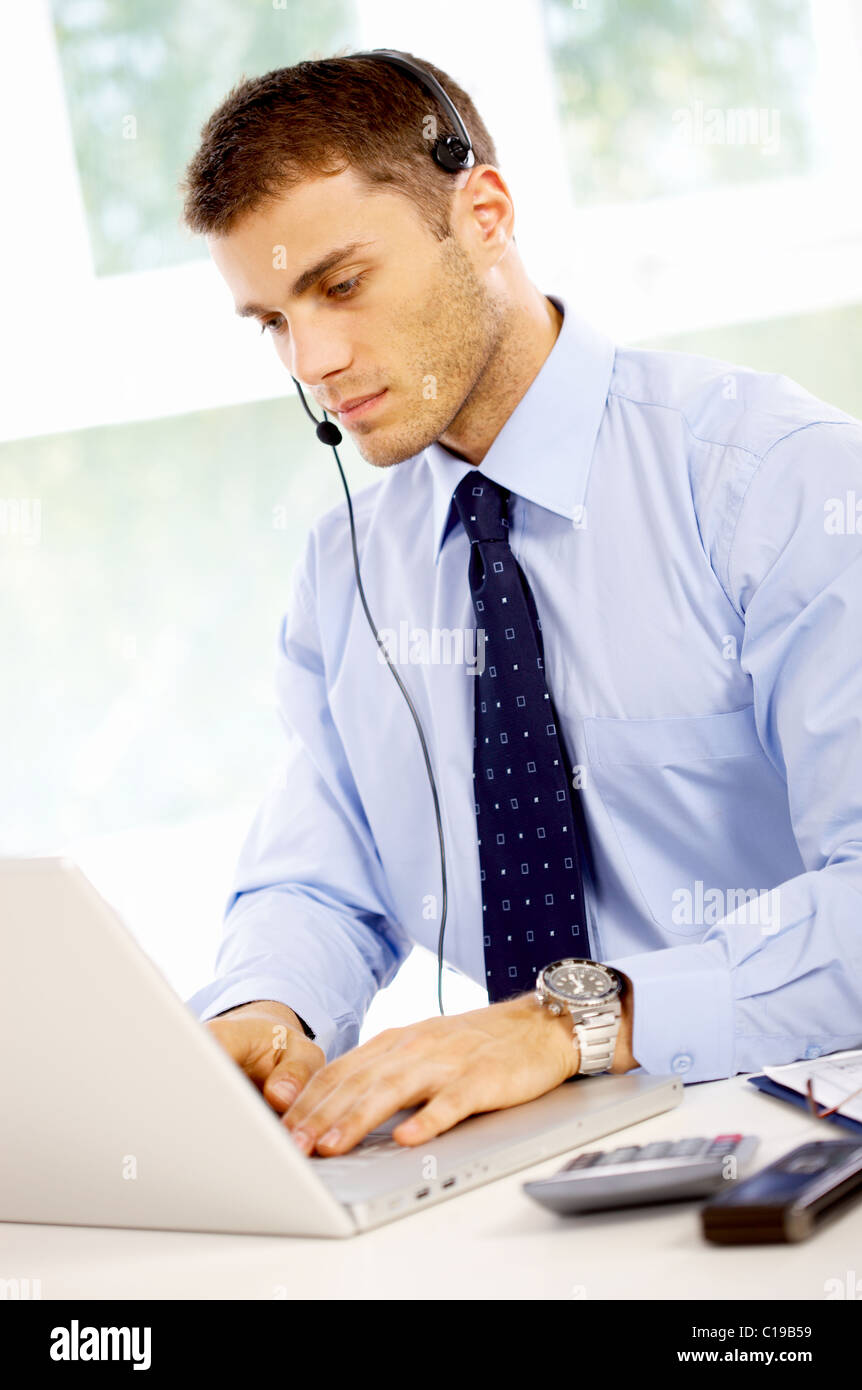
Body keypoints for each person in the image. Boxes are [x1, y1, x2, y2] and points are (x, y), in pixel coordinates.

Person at [180, 50, 862, 1159]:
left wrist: (572, 1021)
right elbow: (325, 868)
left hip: (796, 1133)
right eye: (271, 322)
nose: (313, 361)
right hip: (529, 1160)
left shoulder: (775, 482)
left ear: (482, 212)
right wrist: (266, 1010)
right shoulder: (347, 566)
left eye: (340, 285)